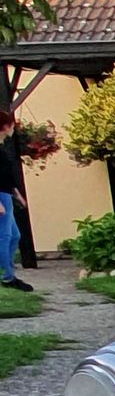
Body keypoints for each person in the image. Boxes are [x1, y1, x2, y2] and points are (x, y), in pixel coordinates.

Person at [0, 109, 32, 292]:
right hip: (0, 197)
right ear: (6, 126)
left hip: (6, 194)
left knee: (14, 236)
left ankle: (7, 272)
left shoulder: (2, 148)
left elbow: (4, 175)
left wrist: (16, 193)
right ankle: (6, 276)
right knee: (3, 237)